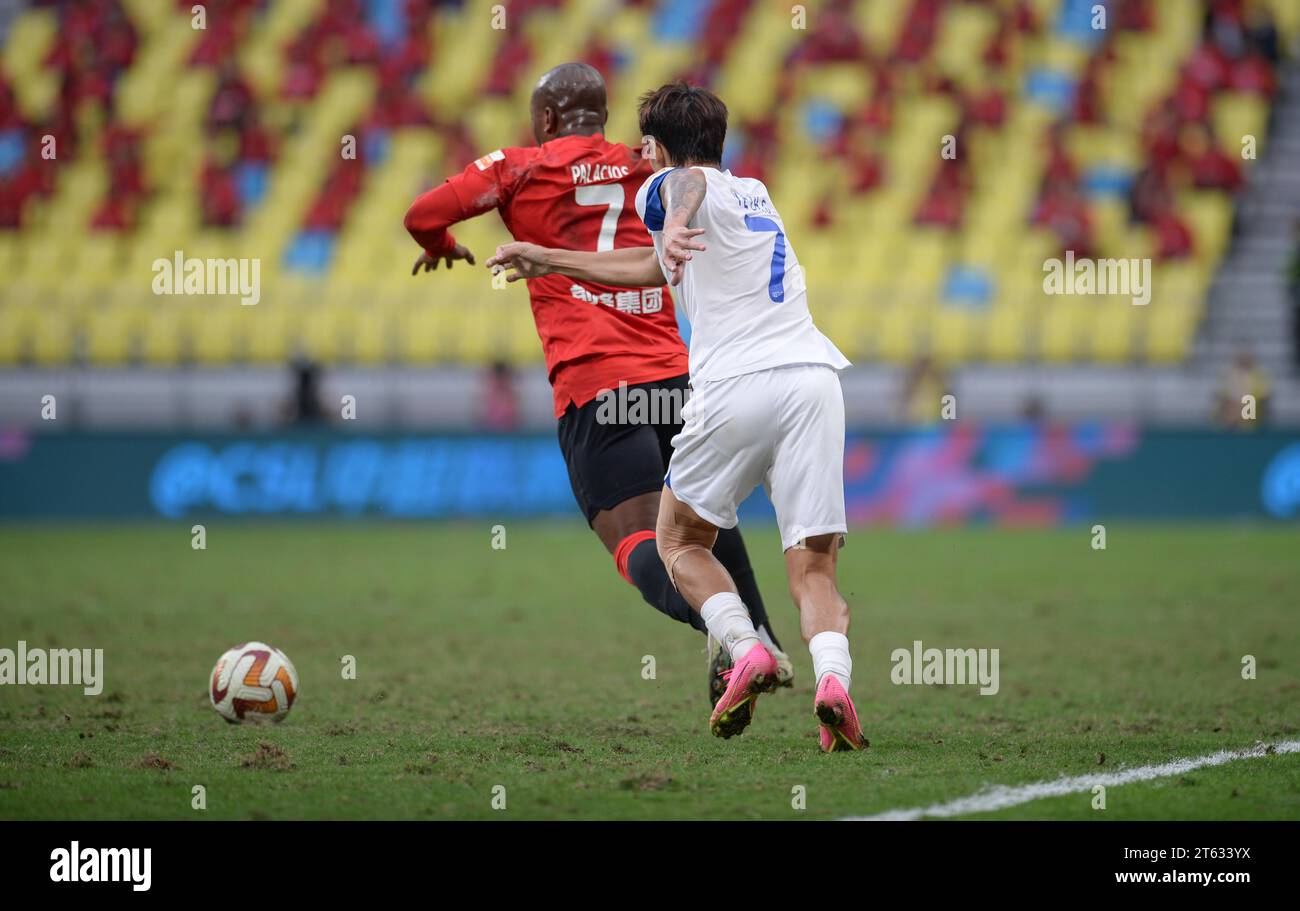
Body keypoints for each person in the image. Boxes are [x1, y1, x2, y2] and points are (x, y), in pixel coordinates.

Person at [487, 82, 864, 752]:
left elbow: (683, 187)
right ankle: (833, 683)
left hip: (734, 386)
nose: (639, 153)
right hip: (813, 380)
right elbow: (648, 265)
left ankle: (745, 647)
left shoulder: (662, 186)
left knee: (681, 542)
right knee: (815, 570)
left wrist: (679, 210)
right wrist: (548, 258)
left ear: (660, 147)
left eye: (646, 144)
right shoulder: (758, 194)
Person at [403, 63, 791, 703]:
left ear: (548, 120)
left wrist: (441, 241)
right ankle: (765, 636)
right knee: (701, 520)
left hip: (595, 384)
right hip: (675, 378)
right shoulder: (645, 164)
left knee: (642, 544)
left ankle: (737, 639)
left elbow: (422, 213)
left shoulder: (516, 168)